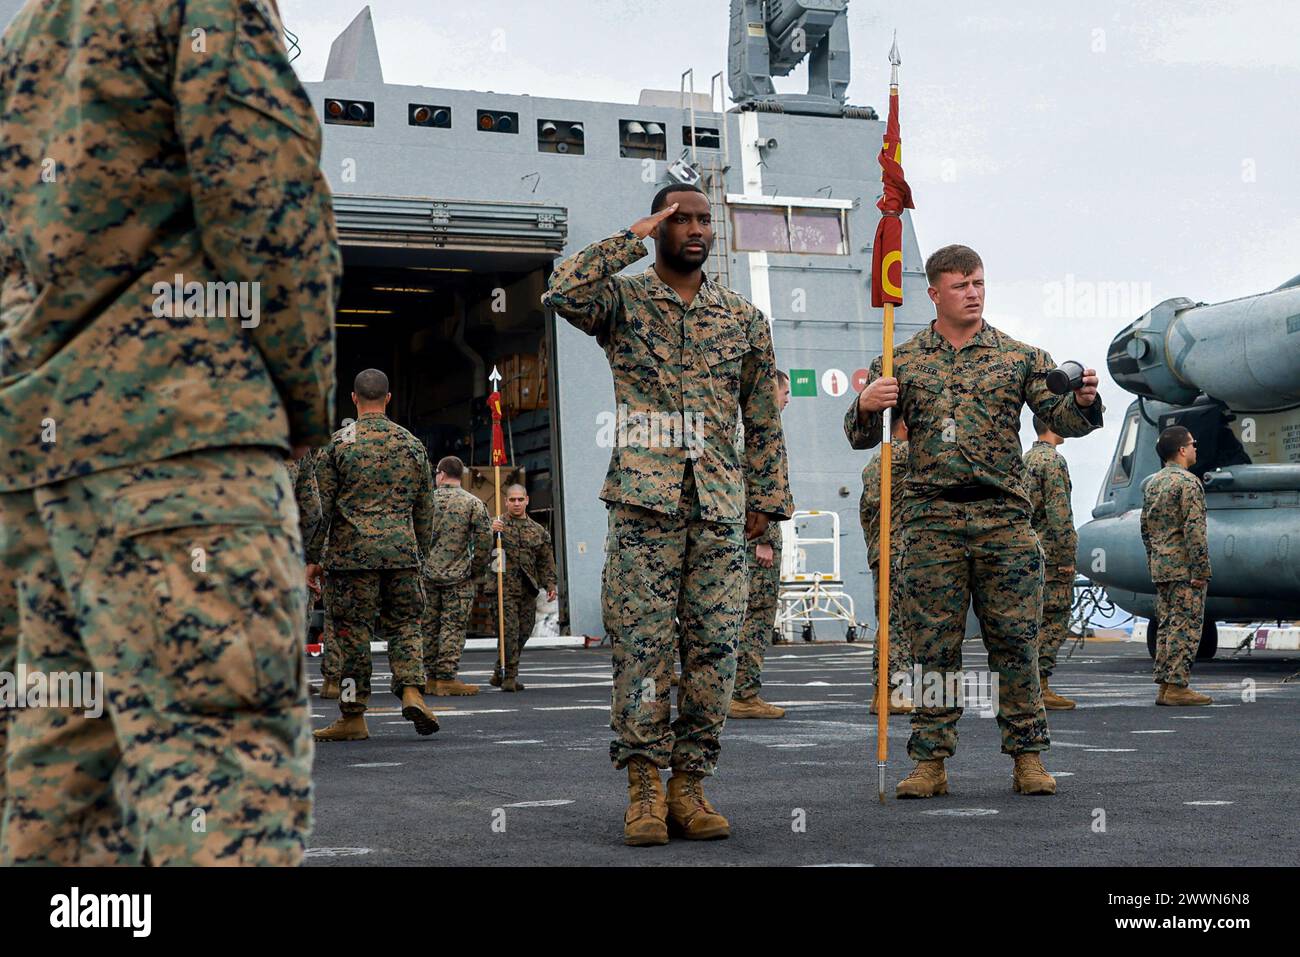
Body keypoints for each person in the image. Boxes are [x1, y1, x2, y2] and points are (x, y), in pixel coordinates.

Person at [0, 0, 338, 865]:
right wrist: (301, 400)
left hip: (39, 457)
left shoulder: (32, 28)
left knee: (62, 794)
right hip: (180, 437)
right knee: (222, 772)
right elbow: (267, 205)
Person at [543, 182, 792, 846]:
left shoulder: (742, 317)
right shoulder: (622, 301)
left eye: (704, 219)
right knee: (643, 649)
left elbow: (763, 418)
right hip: (643, 502)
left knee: (715, 651)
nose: (695, 229)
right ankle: (645, 787)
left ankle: (690, 783)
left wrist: (766, 501)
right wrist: (633, 231)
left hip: (718, 508)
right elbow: (563, 289)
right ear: (659, 227)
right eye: (680, 219)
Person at [845, 244, 1103, 800]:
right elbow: (865, 436)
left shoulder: (1019, 357)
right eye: (961, 285)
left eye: (979, 283)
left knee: (1016, 640)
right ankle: (930, 762)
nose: (974, 293)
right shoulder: (903, 360)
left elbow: (1059, 418)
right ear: (935, 293)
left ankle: (1028, 758)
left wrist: (1081, 402)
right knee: (932, 646)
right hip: (931, 518)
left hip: (1002, 518)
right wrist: (866, 405)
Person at [306, 370, 441, 741]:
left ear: (353, 398)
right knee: (405, 626)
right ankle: (412, 691)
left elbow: (322, 508)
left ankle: (353, 715)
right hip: (401, 555)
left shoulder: (337, 445)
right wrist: (419, 554)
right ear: (388, 398)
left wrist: (312, 558)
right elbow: (426, 510)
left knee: (352, 636)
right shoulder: (411, 444)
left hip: (351, 559)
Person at [730, 369, 792, 719]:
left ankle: (736, 691)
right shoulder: (758, 432)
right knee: (756, 616)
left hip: (747, 536)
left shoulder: (744, 427)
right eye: (785, 393)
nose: (787, 400)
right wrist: (764, 540)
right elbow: (752, 481)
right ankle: (744, 693)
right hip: (756, 539)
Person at [1140, 426, 1213, 706]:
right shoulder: (1189, 483)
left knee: (1167, 625)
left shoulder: (1154, 483)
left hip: (1162, 568)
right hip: (1185, 570)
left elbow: (1145, 528)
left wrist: (1154, 561)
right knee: (1186, 626)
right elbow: (1195, 530)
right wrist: (1201, 570)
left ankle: (1164, 684)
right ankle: (1178, 686)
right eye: (1193, 444)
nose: (1195, 448)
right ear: (1182, 450)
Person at [859, 415, 915, 715]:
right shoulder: (907, 456)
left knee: (888, 622)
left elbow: (866, 510)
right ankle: (892, 691)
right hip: (903, 550)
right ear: (905, 424)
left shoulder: (875, 461)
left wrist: (877, 544)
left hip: (883, 549)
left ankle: (884, 691)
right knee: (899, 626)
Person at [424, 456, 492, 696]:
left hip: (427, 575)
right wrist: (476, 570)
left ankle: (430, 677)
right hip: (459, 576)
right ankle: (446, 677)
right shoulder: (472, 503)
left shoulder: (426, 501)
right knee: (452, 626)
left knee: (429, 626)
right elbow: (484, 540)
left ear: (441, 474)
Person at [1023, 417, 1079, 710]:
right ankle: (1040, 686)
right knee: (1054, 621)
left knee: (1032, 621)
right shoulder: (1053, 462)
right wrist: (1068, 556)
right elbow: (1060, 514)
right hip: (1053, 557)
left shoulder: (1026, 459)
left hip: (1028, 552)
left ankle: (1028, 685)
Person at [486, 484, 557, 692]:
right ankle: (510, 677)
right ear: (506, 501)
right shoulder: (496, 526)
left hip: (528, 589)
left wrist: (550, 584)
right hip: (502, 588)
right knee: (508, 631)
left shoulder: (537, 531)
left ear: (527, 500)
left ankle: (499, 671)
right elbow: (479, 549)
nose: (516, 503)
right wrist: (490, 532)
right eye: (512, 500)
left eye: (520, 499)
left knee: (523, 632)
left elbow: (545, 560)